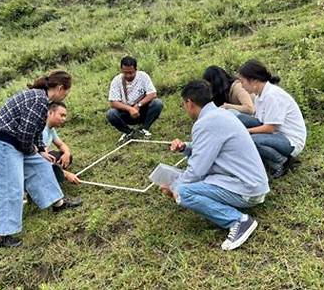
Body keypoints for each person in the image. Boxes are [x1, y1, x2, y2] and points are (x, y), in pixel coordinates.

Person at [160, 80, 269, 251]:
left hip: (247, 189)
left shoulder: (206, 123)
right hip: (251, 183)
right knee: (187, 182)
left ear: (189, 102)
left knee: (183, 191)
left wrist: (174, 188)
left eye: (183, 104)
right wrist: (185, 147)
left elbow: (197, 170)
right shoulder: (219, 114)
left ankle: (239, 221)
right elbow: (207, 149)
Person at [0, 70, 82, 248]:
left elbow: (35, 129)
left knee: (42, 165)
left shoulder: (42, 100)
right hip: (3, 142)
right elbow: (24, 138)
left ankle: (58, 203)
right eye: (66, 92)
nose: (65, 96)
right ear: (60, 88)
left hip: (15, 140)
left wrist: (42, 150)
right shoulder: (38, 101)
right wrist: (35, 149)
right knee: (9, 187)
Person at [236, 59, 307, 178]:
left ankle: (282, 162)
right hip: (276, 134)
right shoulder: (260, 95)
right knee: (237, 118)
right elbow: (260, 121)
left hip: (289, 139)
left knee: (250, 140)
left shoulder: (272, 96)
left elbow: (270, 128)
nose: (242, 86)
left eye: (243, 82)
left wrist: (246, 132)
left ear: (253, 80)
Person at [106, 56, 164, 143]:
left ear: (136, 70)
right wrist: (130, 109)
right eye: (125, 72)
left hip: (142, 111)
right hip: (126, 113)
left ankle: (144, 129)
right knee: (111, 114)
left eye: (131, 72)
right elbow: (113, 102)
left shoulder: (143, 76)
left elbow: (152, 94)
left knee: (157, 103)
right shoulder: (116, 80)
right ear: (121, 70)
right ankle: (128, 132)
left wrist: (138, 105)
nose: (128, 75)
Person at [42, 101, 73, 183]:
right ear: (50, 113)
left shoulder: (51, 129)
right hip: (39, 162)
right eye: (61, 115)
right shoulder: (42, 131)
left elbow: (61, 144)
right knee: (51, 167)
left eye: (65, 116)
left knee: (67, 157)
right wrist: (66, 174)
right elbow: (42, 160)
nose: (64, 119)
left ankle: (56, 174)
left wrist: (67, 153)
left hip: (46, 158)